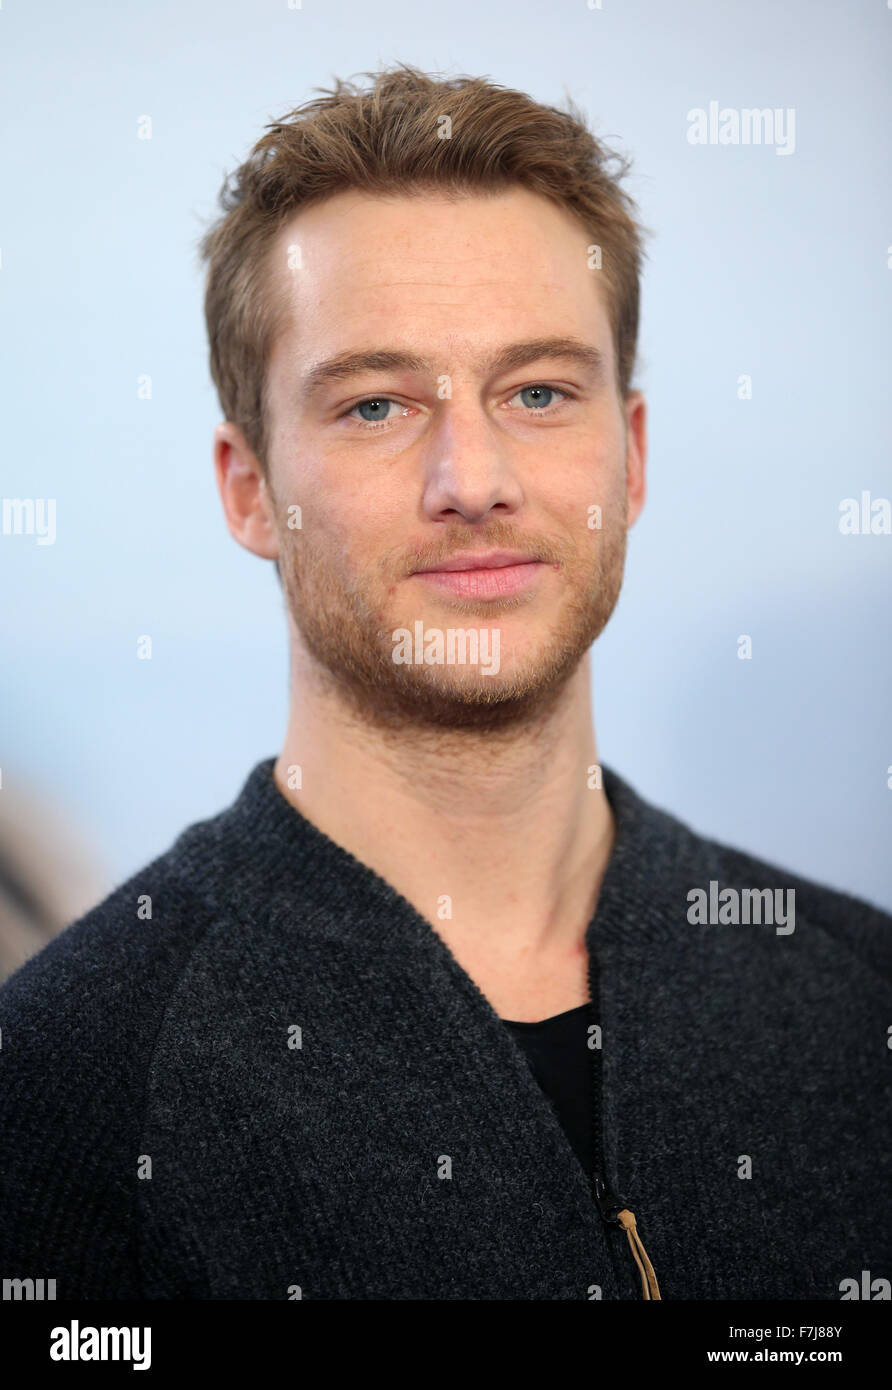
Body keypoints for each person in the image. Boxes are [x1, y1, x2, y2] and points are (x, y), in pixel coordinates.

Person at [1, 64, 889, 1302]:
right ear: (247, 487)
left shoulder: (862, 1004)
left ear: (628, 458)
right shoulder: (58, 1083)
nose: (471, 477)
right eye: (375, 405)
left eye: (536, 392)